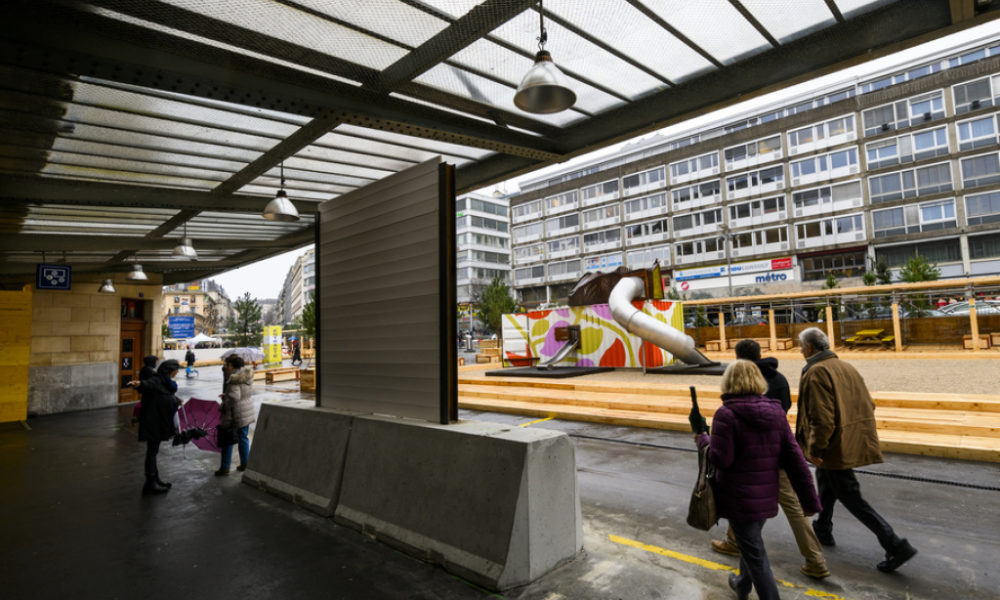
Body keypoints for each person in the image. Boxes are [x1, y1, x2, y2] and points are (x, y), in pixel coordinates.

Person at [696, 360, 821, 600]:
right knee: (750, 542)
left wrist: (703, 441)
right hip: (766, 497)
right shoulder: (776, 412)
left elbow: (721, 459)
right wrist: (809, 500)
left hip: (738, 498)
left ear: (729, 382)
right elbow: (795, 459)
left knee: (755, 553)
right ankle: (742, 583)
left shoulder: (726, 414)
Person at [796, 327, 918, 573]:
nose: (800, 350)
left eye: (801, 346)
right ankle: (823, 528)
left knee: (851, 497)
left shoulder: (817, 372)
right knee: (826, 482)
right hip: (846, 440)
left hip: (833, 446)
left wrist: (816, 447)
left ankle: (895, 544)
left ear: (809, 347)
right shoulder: (846, 367)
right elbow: (868, 404)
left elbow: (822, 418)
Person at [127, 359, 182, 495]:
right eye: (176, 369)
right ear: (170, 370)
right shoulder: (157, 379)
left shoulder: (166, 383)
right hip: (153, 423)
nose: (178, 372)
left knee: (153, 452)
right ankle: (150, 483)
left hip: (158, 422)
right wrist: (138, 383)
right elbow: (147, 384)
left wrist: (175, 399)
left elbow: (164, 396)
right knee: (151, 452)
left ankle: (155, 479)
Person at [216, 355, 255, 476]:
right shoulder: (247, 375)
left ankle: (225, 467)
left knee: (227, 440)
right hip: (246, 409)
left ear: (232, 365)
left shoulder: (233, 378)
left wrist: (224, 402)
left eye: (227, 364)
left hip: (235, 413)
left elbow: (234, 397)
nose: (225, 366)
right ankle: (245, 463)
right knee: (243, 437)